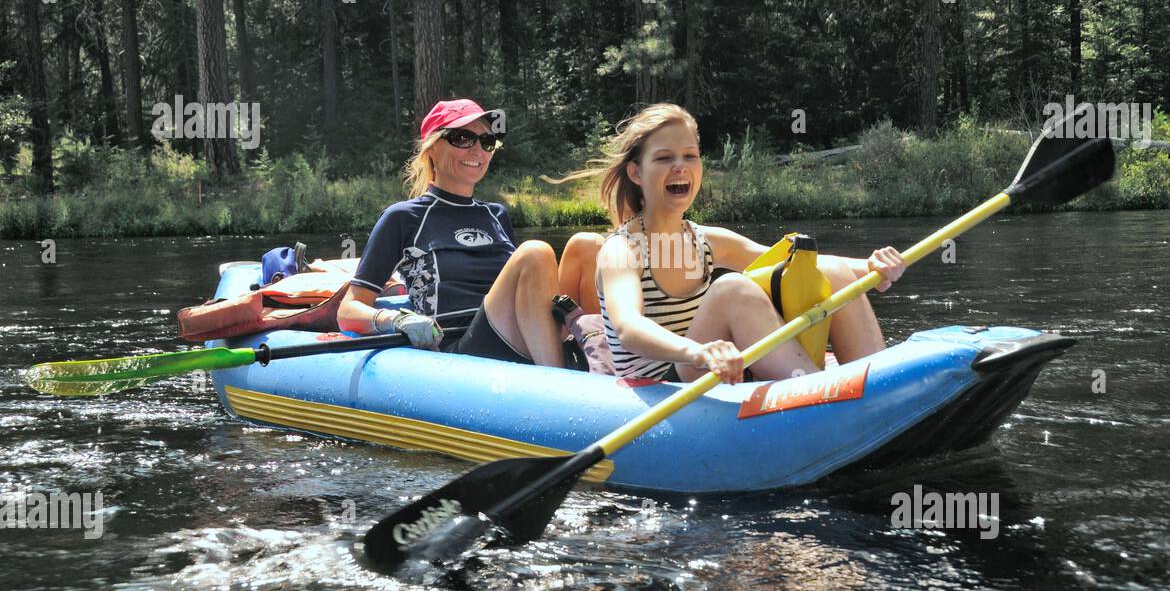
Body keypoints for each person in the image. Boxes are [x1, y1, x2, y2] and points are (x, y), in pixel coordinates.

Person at [561, 103, 907, 385]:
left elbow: (794, 262)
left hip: (704, 369)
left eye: (690, 156)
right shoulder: (622, 250)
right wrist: (698, 352)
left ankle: (877, 386)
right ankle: (820, 393)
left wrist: (872, 266)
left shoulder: (706, 241)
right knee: (730, 290)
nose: (680, 167)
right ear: (636, 173)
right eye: (665, 158)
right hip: (660, 384)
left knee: (829, 269)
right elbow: (629, 328)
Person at [337, 99, 566, 367]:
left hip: (517, 335)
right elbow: (348, 310)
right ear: (432, 148)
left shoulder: (496, 215)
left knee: (587, 246)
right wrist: (397, 320)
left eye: (486, 141)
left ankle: (602, 363)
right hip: (458, 351)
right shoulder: (404, 217)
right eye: (463, 138)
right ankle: (558, 378)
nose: (478, 150)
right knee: (535, 253)